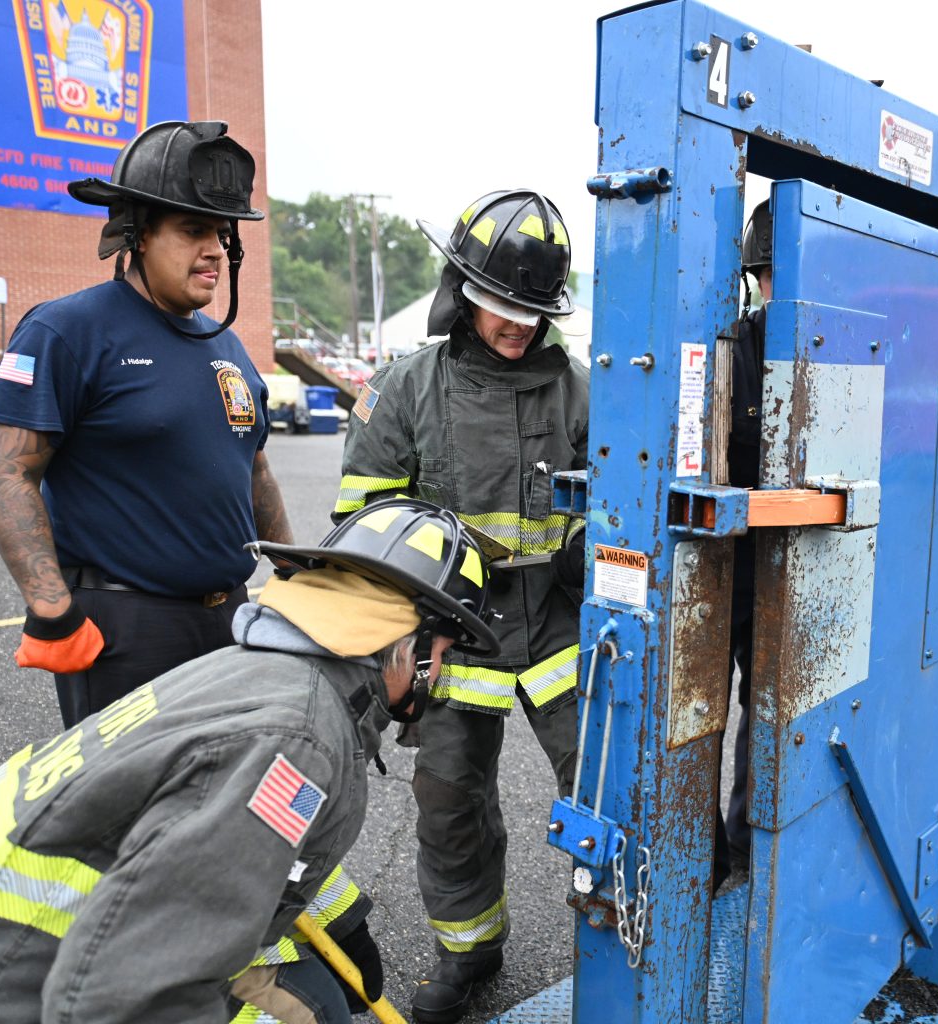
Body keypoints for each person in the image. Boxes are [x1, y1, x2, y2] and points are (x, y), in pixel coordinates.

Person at [0, 498, 499, 1024]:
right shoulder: (296, 739)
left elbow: (241, 844)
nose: (440, 674)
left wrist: (342, 920)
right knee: (316, 1010)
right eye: (442, 649)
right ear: (405, 646)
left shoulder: (255, 672)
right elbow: (127, 994)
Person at [335, 189, 587, 1024]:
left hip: (557, 625)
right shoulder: (408, 387)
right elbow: (362, 523)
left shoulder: (580, 393)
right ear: (462, 291)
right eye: (501, 304)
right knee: (448, 801)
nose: (517, 324)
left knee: (607, 788)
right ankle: (469, 950)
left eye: (532, 309)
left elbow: (616, 512)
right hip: (452, 635)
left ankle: (631, 940)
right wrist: (412, 633)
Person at [0, 120, 293, 730]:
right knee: (124, 818)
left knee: (213, 808)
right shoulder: (67, 332)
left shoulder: (227, 346)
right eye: (193, 230)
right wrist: (53, 610)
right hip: (123, 630)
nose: (214, 249)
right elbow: (6, 472)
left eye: (222, 232)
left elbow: (253, 467)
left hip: (230, 619)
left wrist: (295, 575)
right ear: (138, 234)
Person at [713, 200, 771, 885]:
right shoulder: (728, 351)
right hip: (722, 573)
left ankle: (751, 857)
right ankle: (704, 862)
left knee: (771, 726)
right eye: (772, 273)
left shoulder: (843, 356)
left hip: (790, 579)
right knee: (696, 720)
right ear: (755, 277)